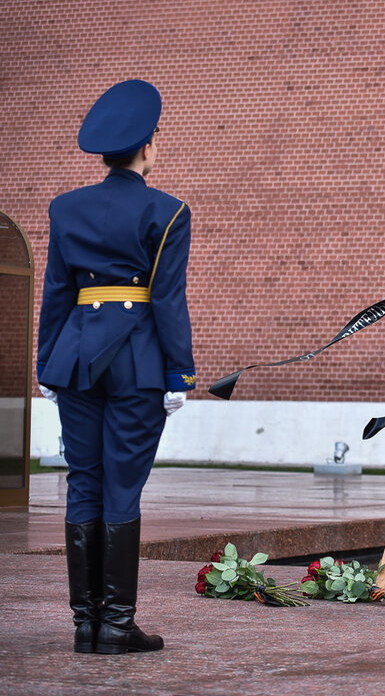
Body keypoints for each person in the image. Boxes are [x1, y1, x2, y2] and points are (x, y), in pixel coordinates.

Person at [37, 79, 196, 654]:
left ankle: (85, 623)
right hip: (137, 364)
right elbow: (167, 300)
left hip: (74, 360)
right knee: (122, 487)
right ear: (148, 147)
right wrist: (180, 375)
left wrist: (44, 366)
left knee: (84, 482)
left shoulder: (66, 208)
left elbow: (56, 293)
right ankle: (117, 624)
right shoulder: (168, 211)